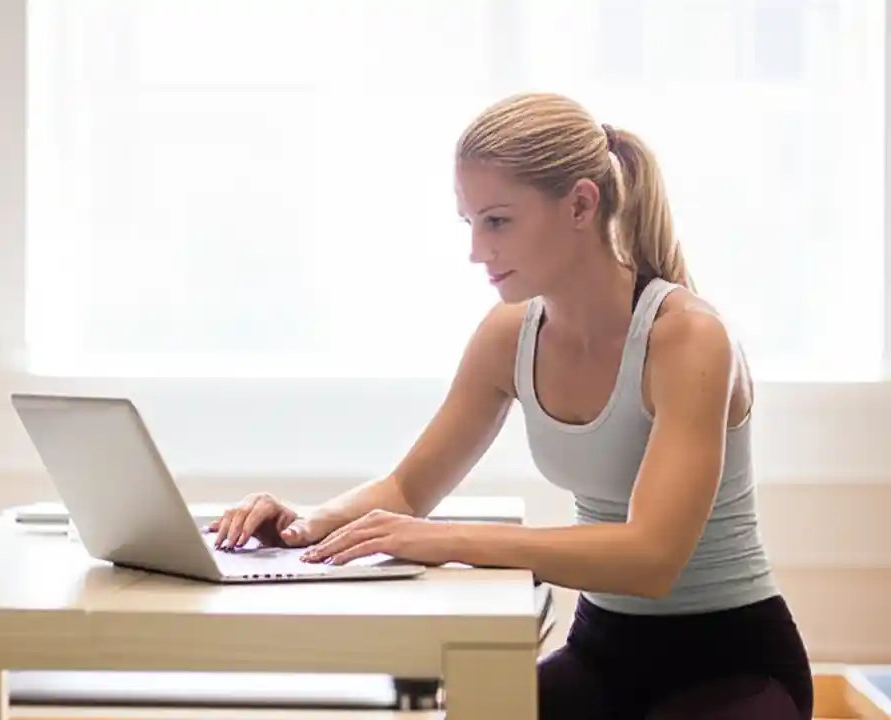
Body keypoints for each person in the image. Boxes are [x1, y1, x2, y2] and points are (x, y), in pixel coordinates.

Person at [208, 92, 812, 719]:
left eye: (497, 221)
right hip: (604, 653)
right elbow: (407, 490)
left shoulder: (686, 338)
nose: (476, 250)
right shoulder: (510, 334)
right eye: (468, 222)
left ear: (580, 204)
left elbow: (651, 559)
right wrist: (308, 522)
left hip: (731, 667)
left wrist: (447, 541)